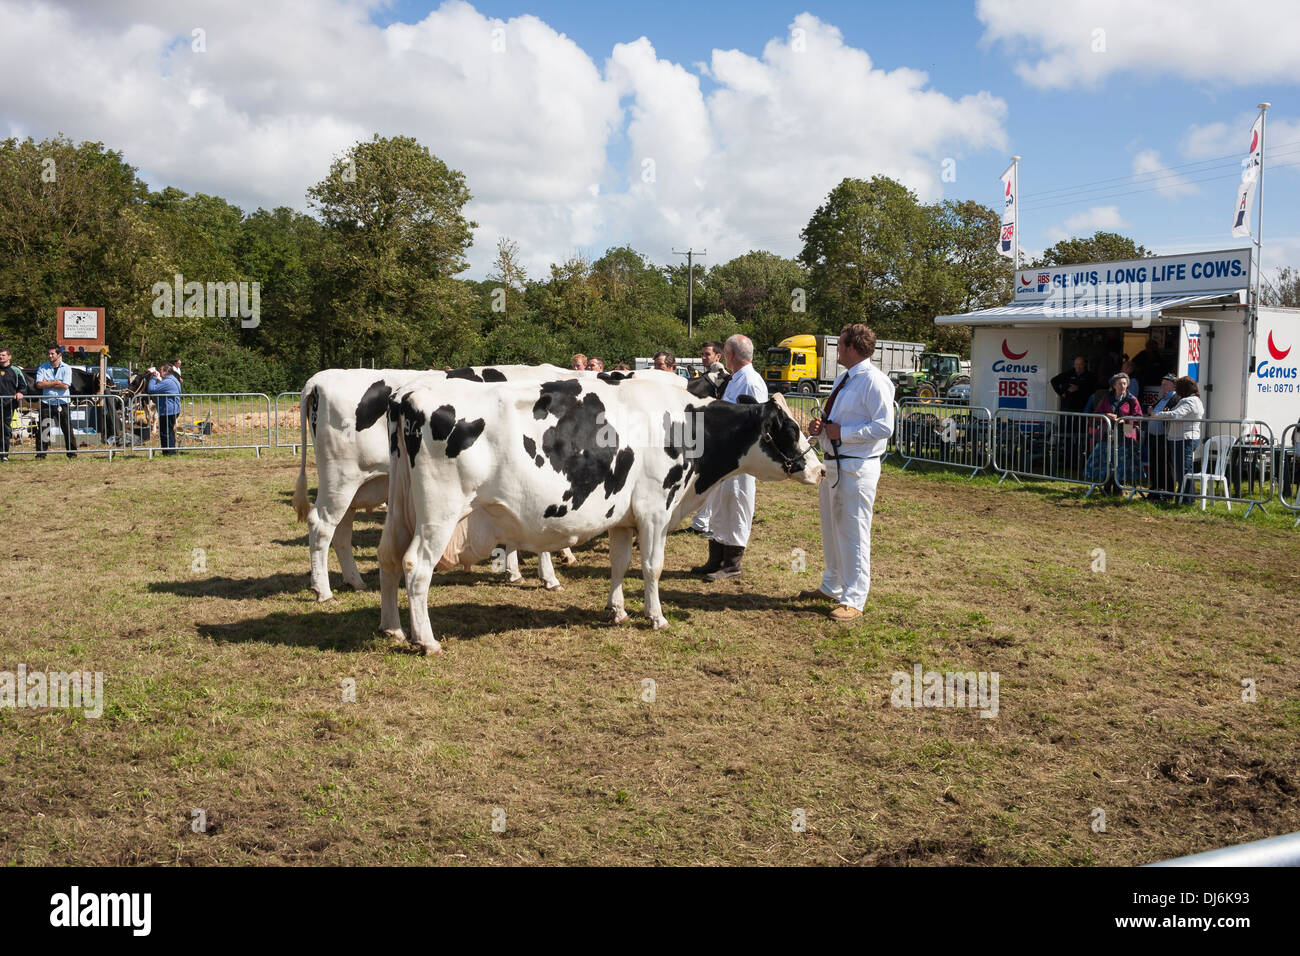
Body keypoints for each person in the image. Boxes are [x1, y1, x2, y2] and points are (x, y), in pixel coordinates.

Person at [800, 323, 894, 622]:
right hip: (833, 462)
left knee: (853, 532)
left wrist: (844, 432)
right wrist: (821, 429)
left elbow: (884, 427)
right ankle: (832, 585)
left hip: (856, 465)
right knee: (831, 528)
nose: (837, 350)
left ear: (853, 347)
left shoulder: (874, 381)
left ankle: (854, 598)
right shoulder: (845, 378)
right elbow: (835, 420)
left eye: (840, 344)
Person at [692, 334, 767, 581]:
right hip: (725, 455)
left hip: (741, 456)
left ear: (731, 355)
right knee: (721, 505)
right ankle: (716, 559)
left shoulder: (751, 381)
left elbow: (757, 422)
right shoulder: (736, 379)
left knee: (738, 504)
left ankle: (732, 563)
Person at [1150, 376, 1205, 504]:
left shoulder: (1189, 401)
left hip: (1184, 439)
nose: (1176, 390)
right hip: (1182, 438)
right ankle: (1185, 498)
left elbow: (1176, 414)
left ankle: (1187, 500)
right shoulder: (1192, 400)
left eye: (1177, 387)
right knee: (1184, 470)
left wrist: (1156, 415)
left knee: (1183, 471)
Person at [1096, 372, 1143, 487]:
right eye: (1119, 383)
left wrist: (1124, 420)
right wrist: (1106, 415)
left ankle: (1119, 487)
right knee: (1108, 458)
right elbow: (1097, 414)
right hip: (1109, 430)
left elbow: (1138, 417)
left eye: (1124, 383)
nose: (1122, 386)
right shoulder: (1107, 398)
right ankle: (1106, 485)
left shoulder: (1132, 399)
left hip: (1127, 429)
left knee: (1123, 459)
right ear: (1114, 385)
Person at [35, 345, 76, 459]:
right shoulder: (43, 367)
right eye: (48, 353)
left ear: (59, 355)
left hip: (62, 402)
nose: (50, 356)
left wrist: (47, 383)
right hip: (46, 402)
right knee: (44, 429)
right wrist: (56, 382)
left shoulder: (67, 368)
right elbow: (38, 384)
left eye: (52, 353)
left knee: (67, 428)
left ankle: (72, 453)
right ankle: (41, 454)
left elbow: (65, 385)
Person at [1145, 373, 1178, 501]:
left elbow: (1167, 414)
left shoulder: (1175, 399)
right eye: (1162, 383)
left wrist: (1154, 413)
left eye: (1166, 383)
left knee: (1166, 465)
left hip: (1165, 436)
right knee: (1155, 464)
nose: (1163, 385)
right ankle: (1155, 490)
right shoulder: (1162, 398)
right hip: (1154, 436)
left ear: (1174, 385)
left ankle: (1168, 493)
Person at [147, 363, 182, 456]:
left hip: (168, 410)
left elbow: (151, 389)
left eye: (161, 370)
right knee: (169, 431)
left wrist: (153, 378)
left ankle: (168, 452)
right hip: (173, 409)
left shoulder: (167, 382)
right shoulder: (173, 379)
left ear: (166, 371)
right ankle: (170, 452)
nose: (159, 372)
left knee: (165, 432)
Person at [0, 347, 28, 462]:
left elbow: (23, 386)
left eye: (3, 355)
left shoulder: (16, 370)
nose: (1, 357)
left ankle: (3, 454)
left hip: (9, 405)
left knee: (5, 429)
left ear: (9, 356)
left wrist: (20, 392)